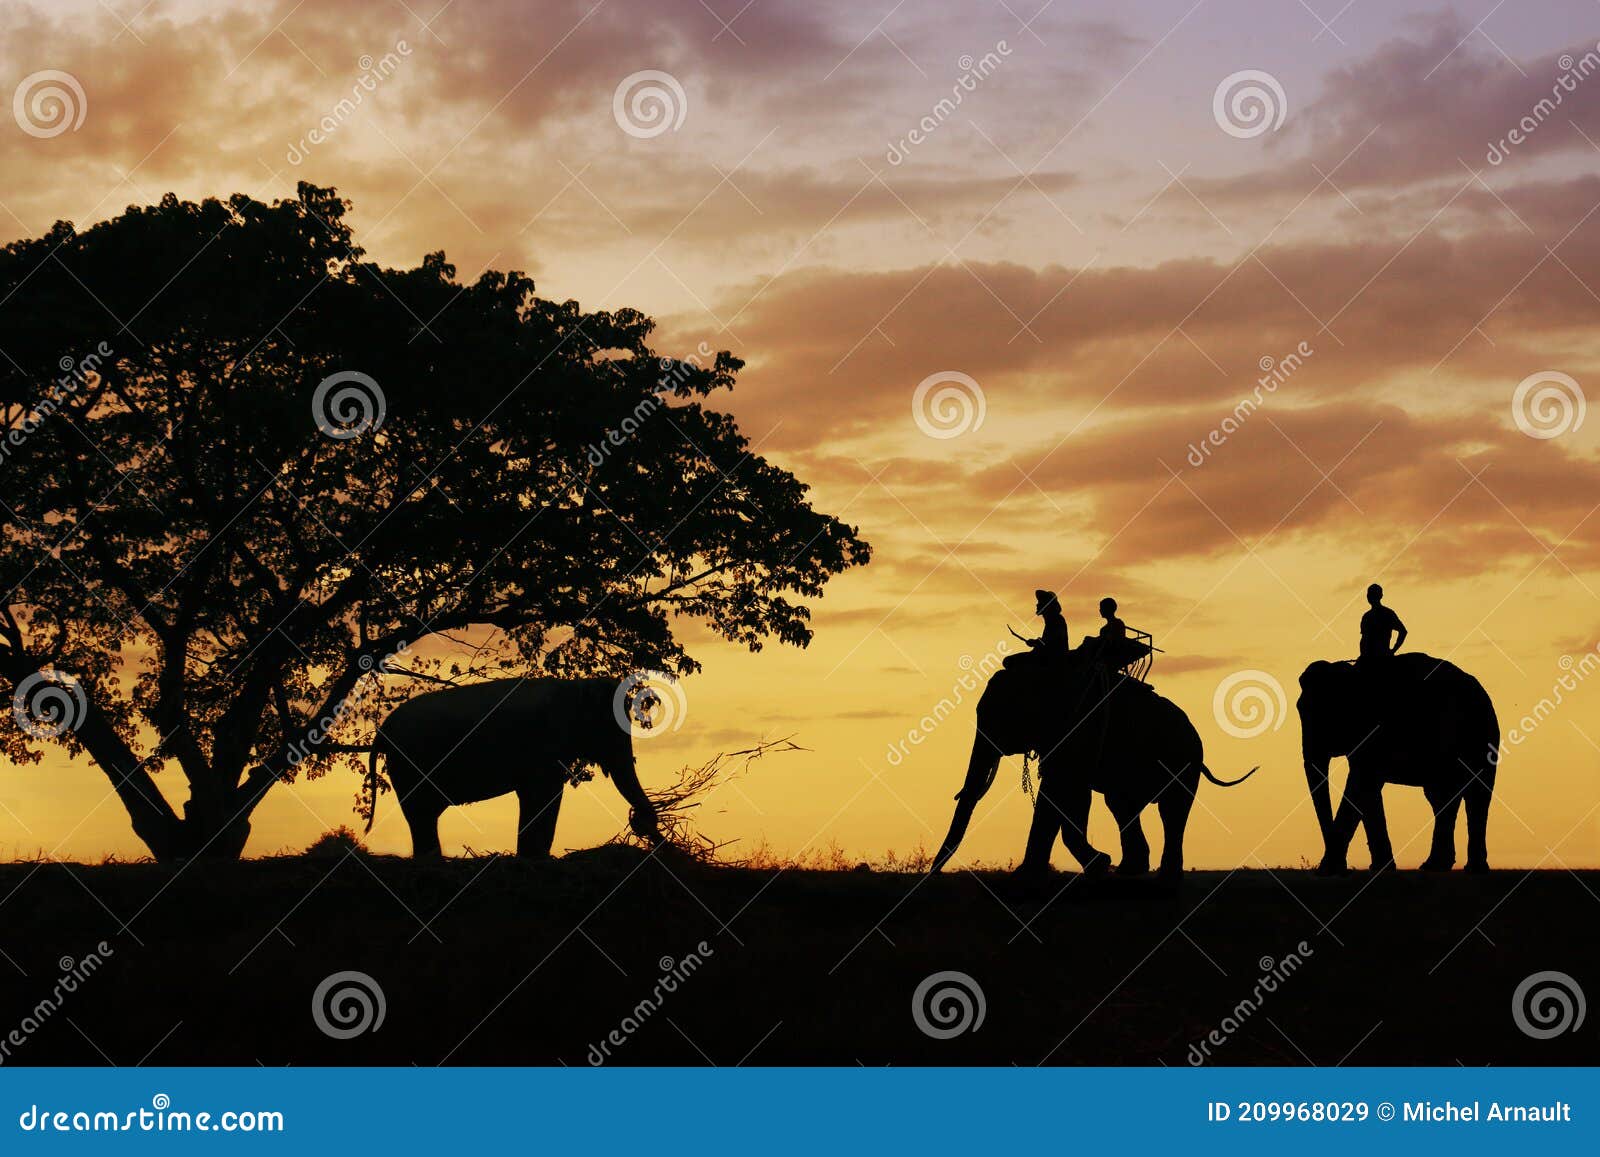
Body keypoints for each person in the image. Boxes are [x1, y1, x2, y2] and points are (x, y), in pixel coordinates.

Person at [1004, 589, 1070, 671]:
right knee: (1008, 661)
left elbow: (1052, 643)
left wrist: (1035, 642)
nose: (1037, 604)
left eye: (1040, 602)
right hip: (1047, 657)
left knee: (1009, 661)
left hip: (1052, 659)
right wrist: (1036, 642)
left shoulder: (1056, 620)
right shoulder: (1053, 620)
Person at [1358, 583, 1406, 665]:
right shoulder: (1366, 616)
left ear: (1380, 596)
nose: (1369, 597)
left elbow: (1403, 631)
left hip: (1382, 656)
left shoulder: (1387, 614)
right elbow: (1364, 639)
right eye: (1369, 594)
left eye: (1372, 594)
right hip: (1367, 658)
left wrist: (1393, 650)